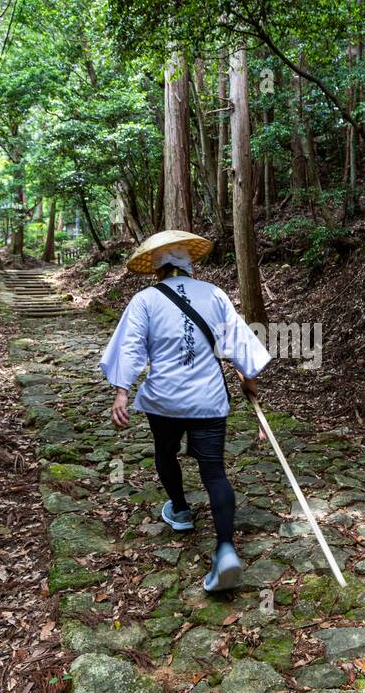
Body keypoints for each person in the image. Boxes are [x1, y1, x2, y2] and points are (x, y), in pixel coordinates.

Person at [100, 229, 271, 592]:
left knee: (165, 452)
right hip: (208, 401)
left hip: (164, 401)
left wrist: (121, 393)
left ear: (158, 270)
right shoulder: (215, 294)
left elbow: (130, 348)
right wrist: (250, 386)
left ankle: (179, 509)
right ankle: (225, 550)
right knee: (215, 474)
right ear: (189, 267)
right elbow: (238, 345)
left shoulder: (145, 299)